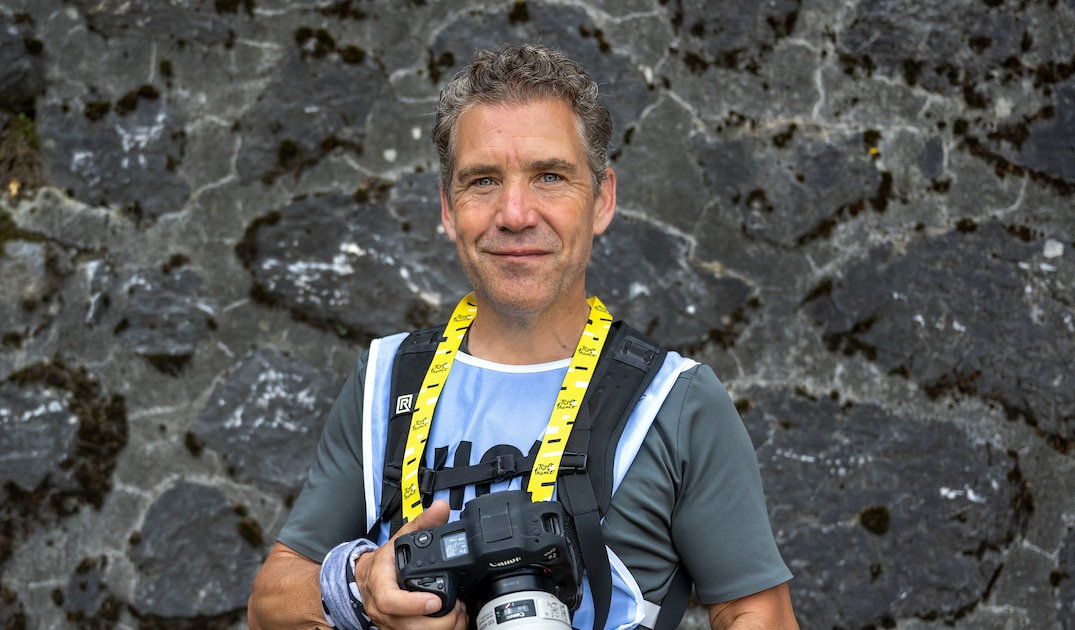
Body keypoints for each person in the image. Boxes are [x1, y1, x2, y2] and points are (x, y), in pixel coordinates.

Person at [247, 43, 798, 630]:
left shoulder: (675, 402)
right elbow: (269, 605)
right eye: (483, 181)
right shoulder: (385, 381)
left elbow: (755, 611)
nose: (514, 213)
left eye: (550, 176)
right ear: (446, 208)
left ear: (602, 198)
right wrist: (360, 586)